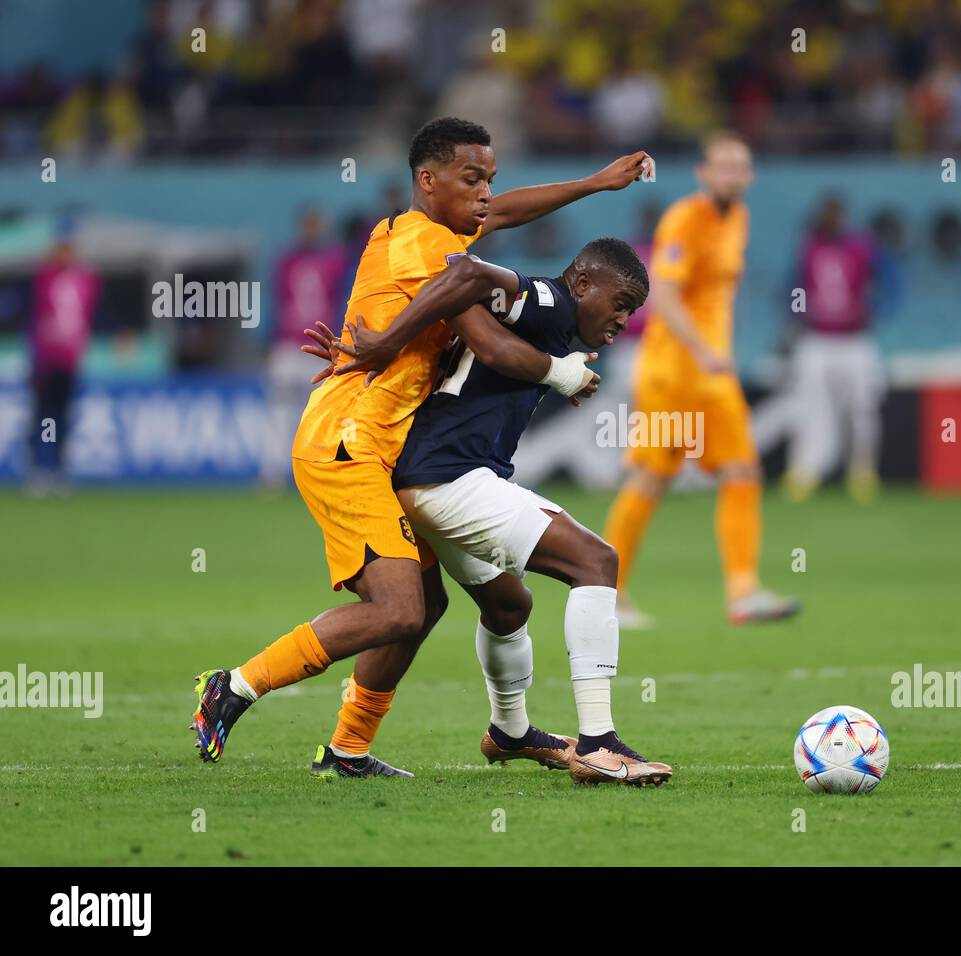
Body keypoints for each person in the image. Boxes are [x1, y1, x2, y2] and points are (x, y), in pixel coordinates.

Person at [192, 116, 653, 776]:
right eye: (473, 180)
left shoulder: (438, 229)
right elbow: (487, 334)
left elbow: (506, 213)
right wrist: (558, 371)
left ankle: (348, 751)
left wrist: (594, 183)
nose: (487, 194)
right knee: (399, 608)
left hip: (387, 447)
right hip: (349, 439)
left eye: (490, 180)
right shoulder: (420, 246)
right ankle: (234, 687)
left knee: (428, 605)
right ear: (426, 179)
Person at [322, 239, 670, 785]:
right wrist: (556, 369)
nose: (624, 319)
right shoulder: (551, 301)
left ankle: (510, 731)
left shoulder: (550, 322)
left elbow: (481, 308)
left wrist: (552, 364)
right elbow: (467, 272)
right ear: (582, 284)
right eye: (620, 302)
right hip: (448, 479)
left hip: (429, 482)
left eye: (632, 310)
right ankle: (599, 744)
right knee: (595, 561)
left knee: (508, 606)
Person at [603, 131, 800, 628]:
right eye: (723, 166)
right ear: (704, 173)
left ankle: (743, 591)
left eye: (740, 166)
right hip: (675, 371)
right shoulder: (684, 219)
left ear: (749, 176)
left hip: (714, 376)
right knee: (653, 478)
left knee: (742, 471)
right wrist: (703, 350)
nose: (732, 174)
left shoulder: (740, 218)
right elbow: (664, 295)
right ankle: (607, 592)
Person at [782, 194, 888, 504]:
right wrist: (796, 316)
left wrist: (874, 308)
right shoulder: (809, 247)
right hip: (817, 338)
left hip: (855, 340)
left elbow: (891, 282)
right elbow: (793, 287)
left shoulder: (862, 247)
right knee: (810, 407)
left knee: (864, 408)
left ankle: (863, 472)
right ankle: (804, 471)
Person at [261, 206, 346, 488]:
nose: (312, 230)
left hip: (320, 348)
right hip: (290, 345)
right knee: (282, 412)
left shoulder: (323, 262)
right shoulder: (296, 261)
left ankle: (316, 474)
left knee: (318, 414)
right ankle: (273, 474)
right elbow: (278, 304)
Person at [28, 222, 101, 495]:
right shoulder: (43, 278)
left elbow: (95, 315)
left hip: (70, 360)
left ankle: (58, 469)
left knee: (63, 417)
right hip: (46, 360)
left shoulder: (85, 279)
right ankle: (38, 469)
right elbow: (31, 318)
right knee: (43, 417)